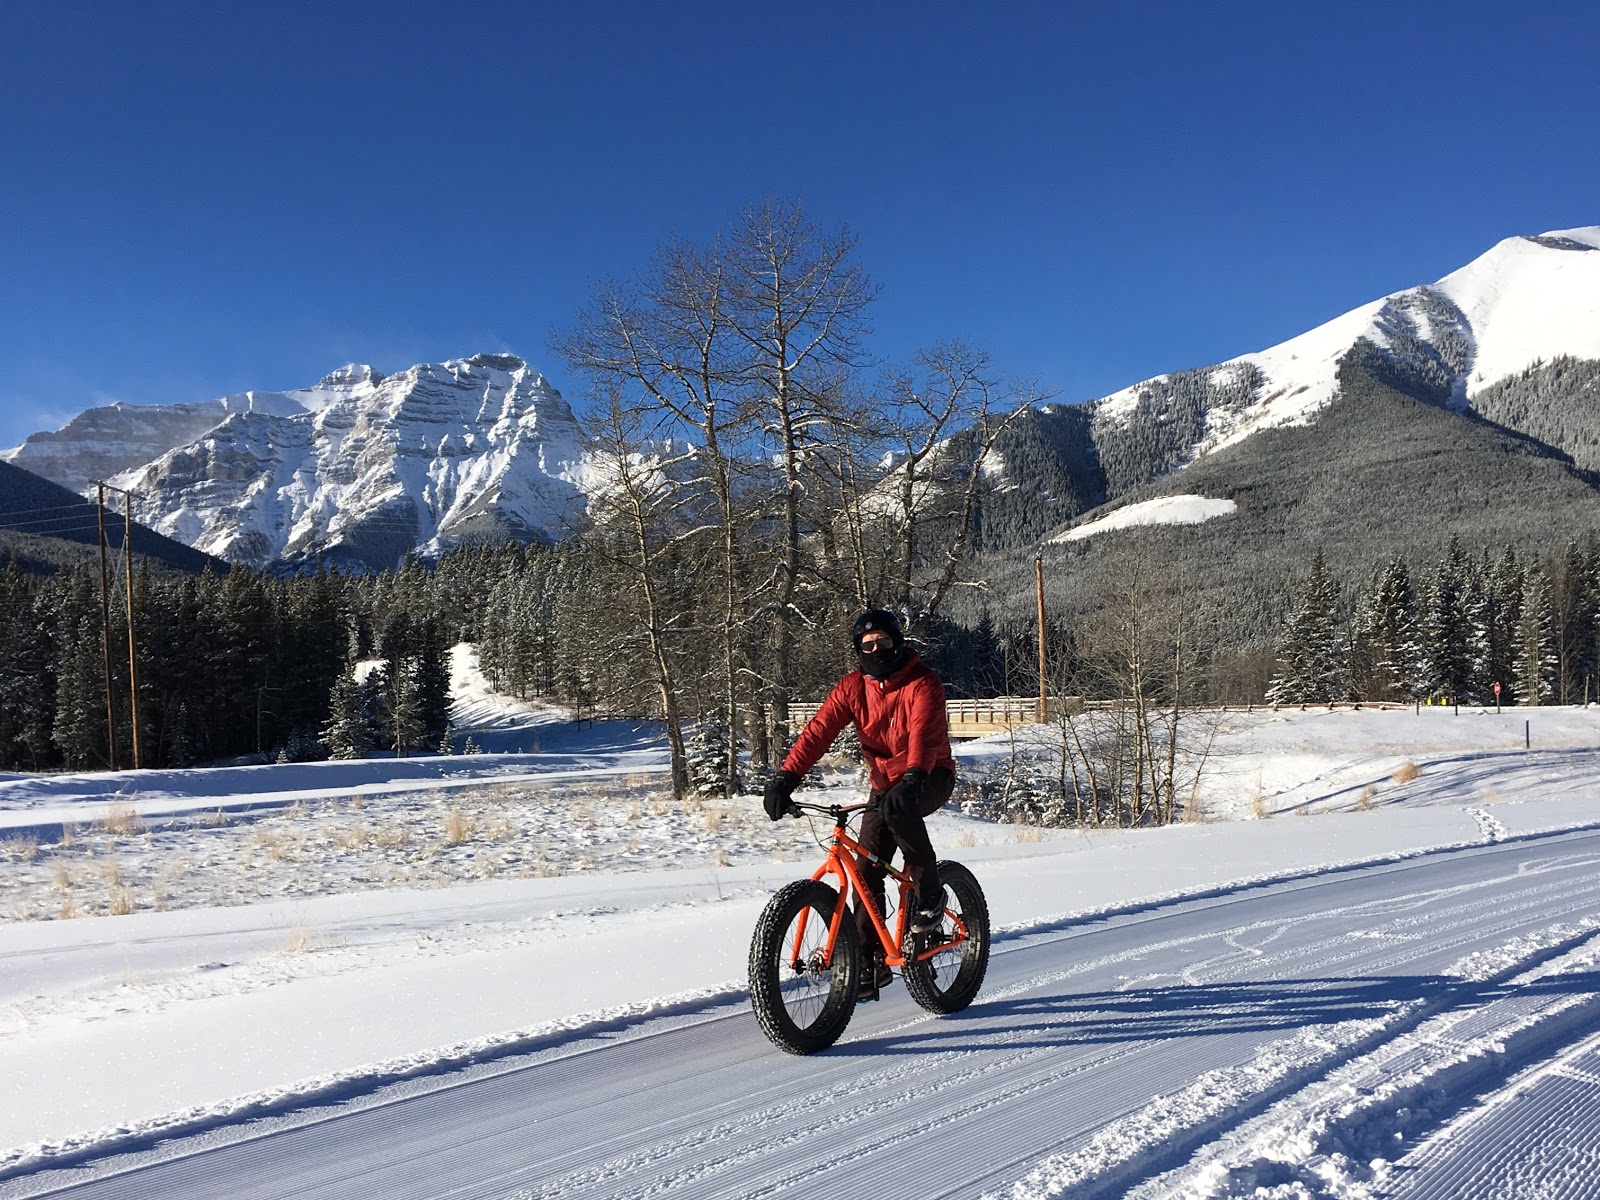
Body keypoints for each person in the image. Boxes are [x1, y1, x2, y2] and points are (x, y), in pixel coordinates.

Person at [763, 609, 957, 1000]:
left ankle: (931, 894)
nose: (875, 649)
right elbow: (819, 730)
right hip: (886, 784)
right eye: (866, 645)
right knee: (866, 869)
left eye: (882, 642)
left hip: (929, 774)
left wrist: (914, 777)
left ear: (897, 642)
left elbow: (924, 734)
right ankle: (867, 965)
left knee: (899, 811)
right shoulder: (853, 687)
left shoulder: (923, 683)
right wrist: (787, 777)